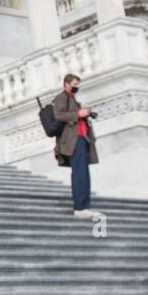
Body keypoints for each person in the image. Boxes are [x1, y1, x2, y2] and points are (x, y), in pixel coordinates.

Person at [52, 72, 97, 217]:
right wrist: (78, 114)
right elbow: (58, 115)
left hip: (82, 137)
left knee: (83, 172)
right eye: (74, 84)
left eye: (78, 84)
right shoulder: (61, 98)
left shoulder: (73, 99)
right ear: (66, 84)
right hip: (72, 139)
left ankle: (85, 206)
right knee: (79, 172)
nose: (77, 87)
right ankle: (79, 207)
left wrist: (85, 113)